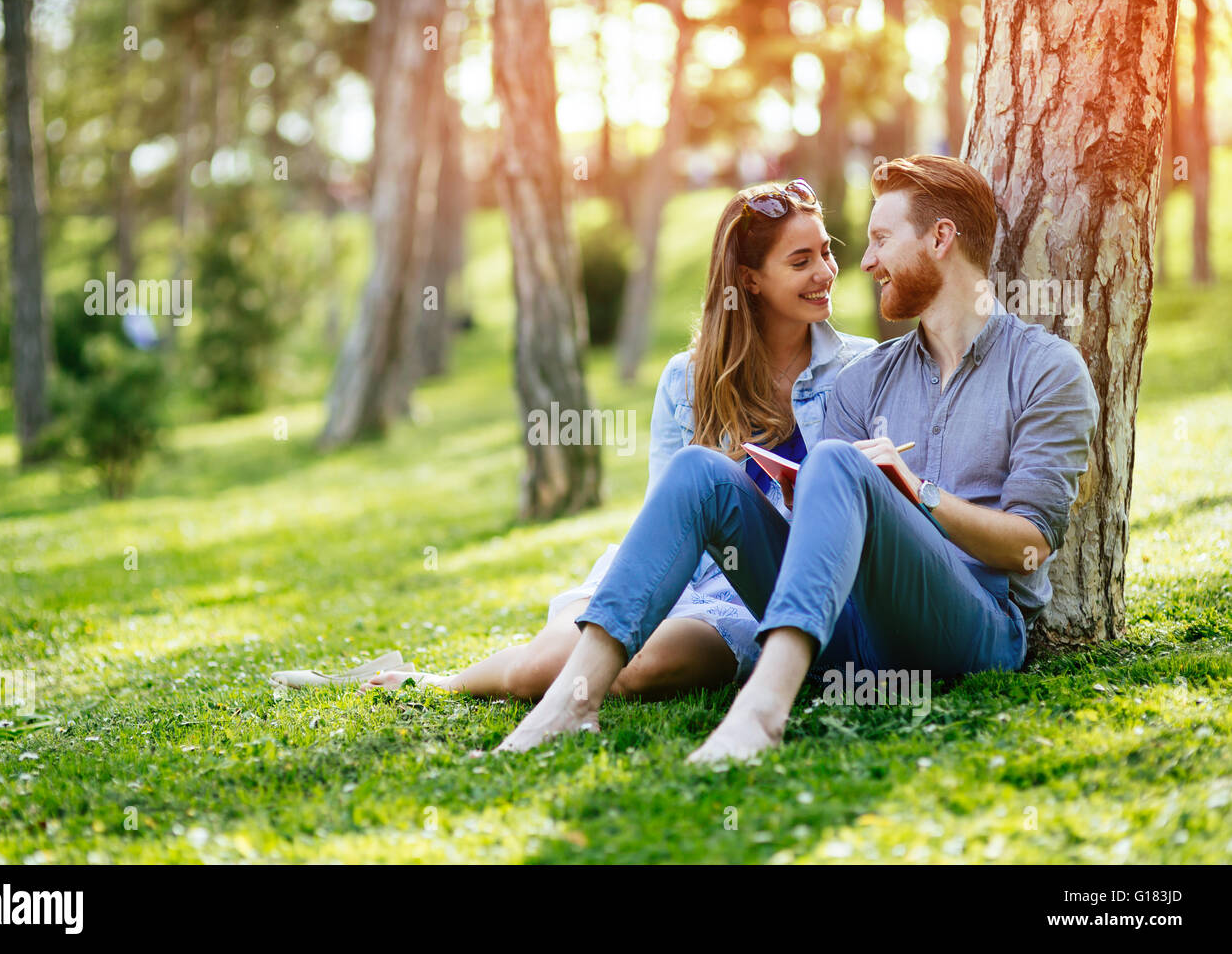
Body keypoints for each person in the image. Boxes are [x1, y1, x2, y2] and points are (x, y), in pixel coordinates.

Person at [494, 155, 1100, 762]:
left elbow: (1032, 543)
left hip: (973, 631)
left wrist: (917, 493)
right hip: (850, 637)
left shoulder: (1046, 371)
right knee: (699, 471)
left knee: (838, 461)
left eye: (881, 239)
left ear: (941, 238)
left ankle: (761, 713)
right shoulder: (865, 380)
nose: (862, 263)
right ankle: (571, 705)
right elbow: (824, 526)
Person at [361, 178, 874, 701]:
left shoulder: (861, 369)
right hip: (675, 573)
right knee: (536, 670)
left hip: (750, 598)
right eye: (800, 260)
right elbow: (666, 514)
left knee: (637, 670)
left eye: (826, 251)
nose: (825, 272)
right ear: (750, 279)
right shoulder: (688, 378)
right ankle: (432, 681)